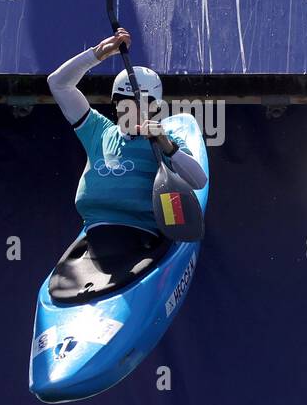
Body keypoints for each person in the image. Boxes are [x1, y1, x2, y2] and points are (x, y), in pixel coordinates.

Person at [47, 29, 208, 262]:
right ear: (114, 105)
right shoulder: (98, 130)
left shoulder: (166, 139)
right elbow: (58, 84)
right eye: (124, 103)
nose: (131, 110)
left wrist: (166, 146)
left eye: (141, 103)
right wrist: (100, 53)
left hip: (140, 241)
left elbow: (198, 180)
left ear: (155, 107)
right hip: (93, 238)